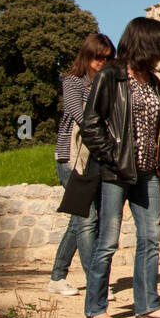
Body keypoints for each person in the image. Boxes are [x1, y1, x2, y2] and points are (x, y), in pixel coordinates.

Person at [79, 17, 160, 318]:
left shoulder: (153, 81)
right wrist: (112, 157)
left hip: (147, 173)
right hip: (115, 173)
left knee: (150, 238)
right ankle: (96, 307)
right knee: (108, 241)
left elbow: (158, 127)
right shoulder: (111, 75)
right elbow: (90, 123)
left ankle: (148, 308)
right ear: (145, 42)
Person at [47, 33, 114, 296]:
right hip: (71, 159)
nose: (102, 62)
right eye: (98, 57)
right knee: (88, 218)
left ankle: (57, 277)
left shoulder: (108, 84)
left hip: (95, 160)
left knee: (78, 220)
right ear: (87, 55)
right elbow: (79, 114)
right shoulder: (73, 82)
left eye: (108, 58)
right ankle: (96, 283)